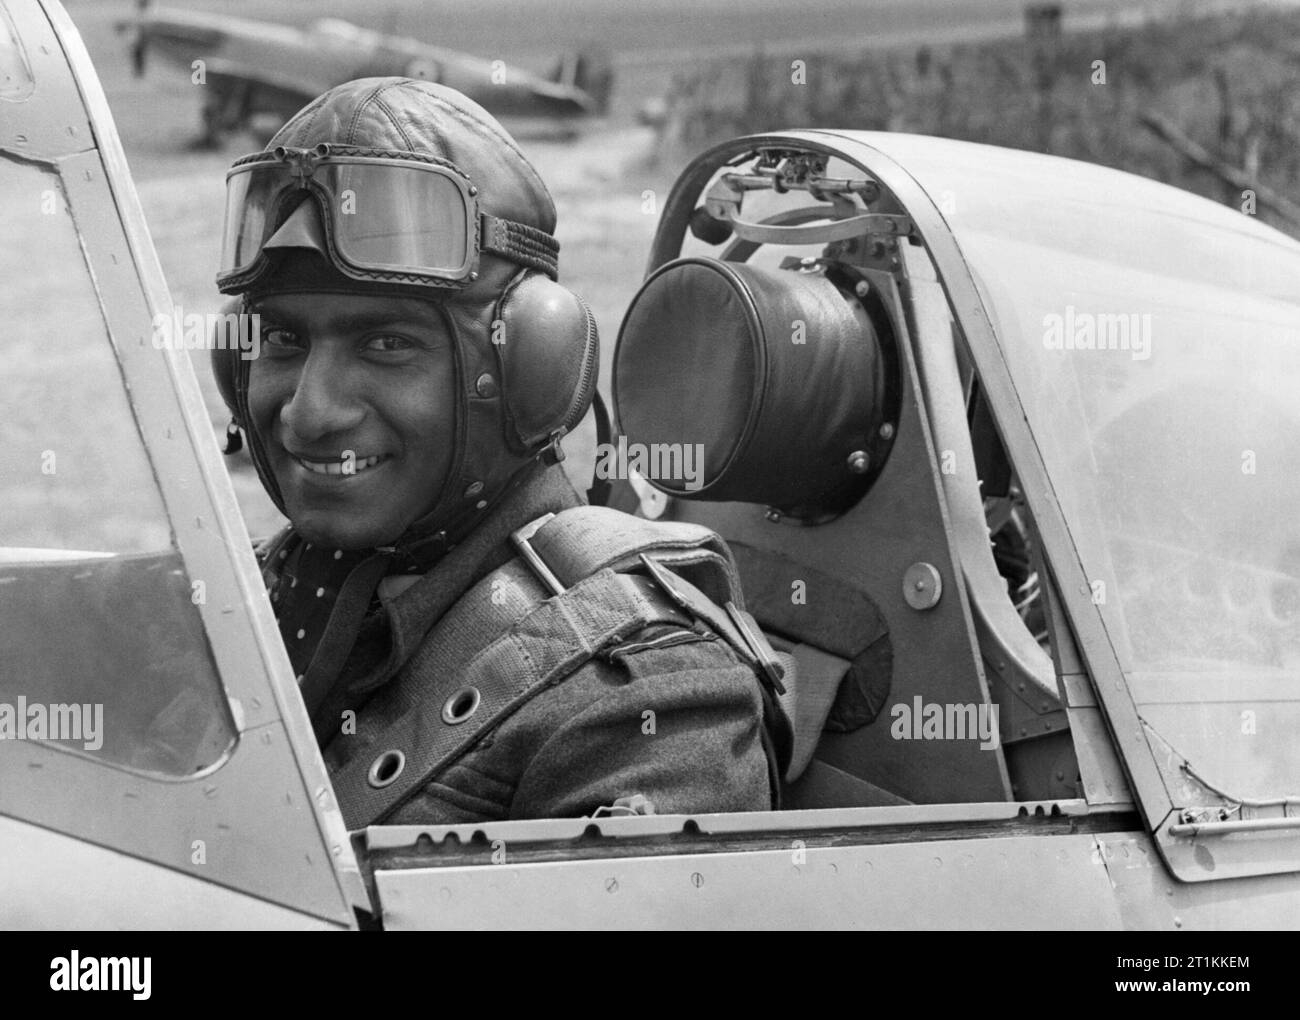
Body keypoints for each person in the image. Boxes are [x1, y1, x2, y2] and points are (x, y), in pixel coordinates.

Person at [209, 78, 789, 828]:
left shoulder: (645, 695)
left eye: (387, 345)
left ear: (528, 369)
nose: (309, 412)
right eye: (283, 340)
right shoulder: (263, 599)